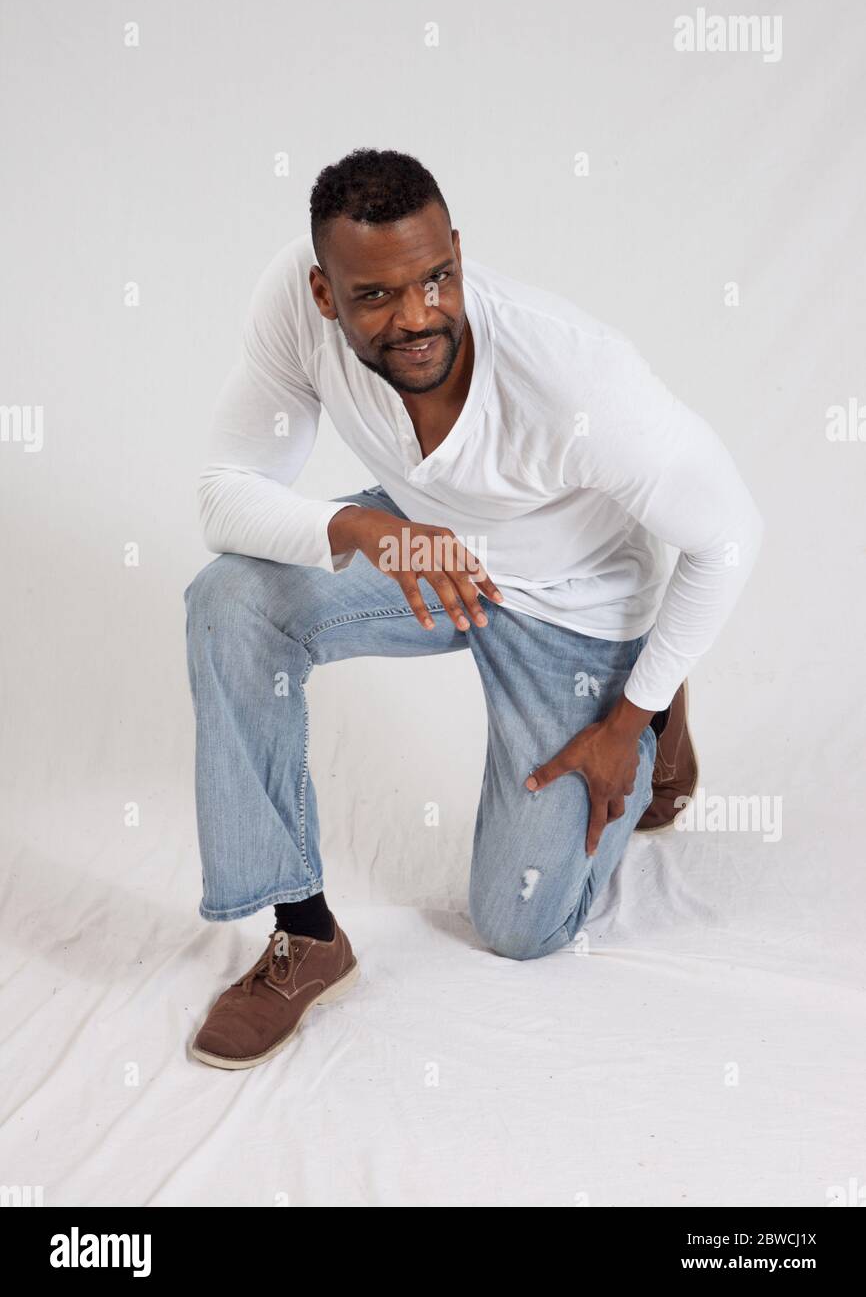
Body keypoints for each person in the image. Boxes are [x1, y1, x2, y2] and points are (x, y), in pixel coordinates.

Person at [183, 147, 762, 1070]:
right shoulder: (293, 304)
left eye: (436, 279)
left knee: (522, 927)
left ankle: (658, 710)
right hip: (428, 552)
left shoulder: (580, 378)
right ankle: (304, 934)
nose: (417, 316)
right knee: (231, 600)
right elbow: (223, 495)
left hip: (577, 606)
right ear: (326, 294)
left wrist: (629, 716)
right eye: (375, 296)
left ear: (457, 249)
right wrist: (371, 531)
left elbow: (729, 537)